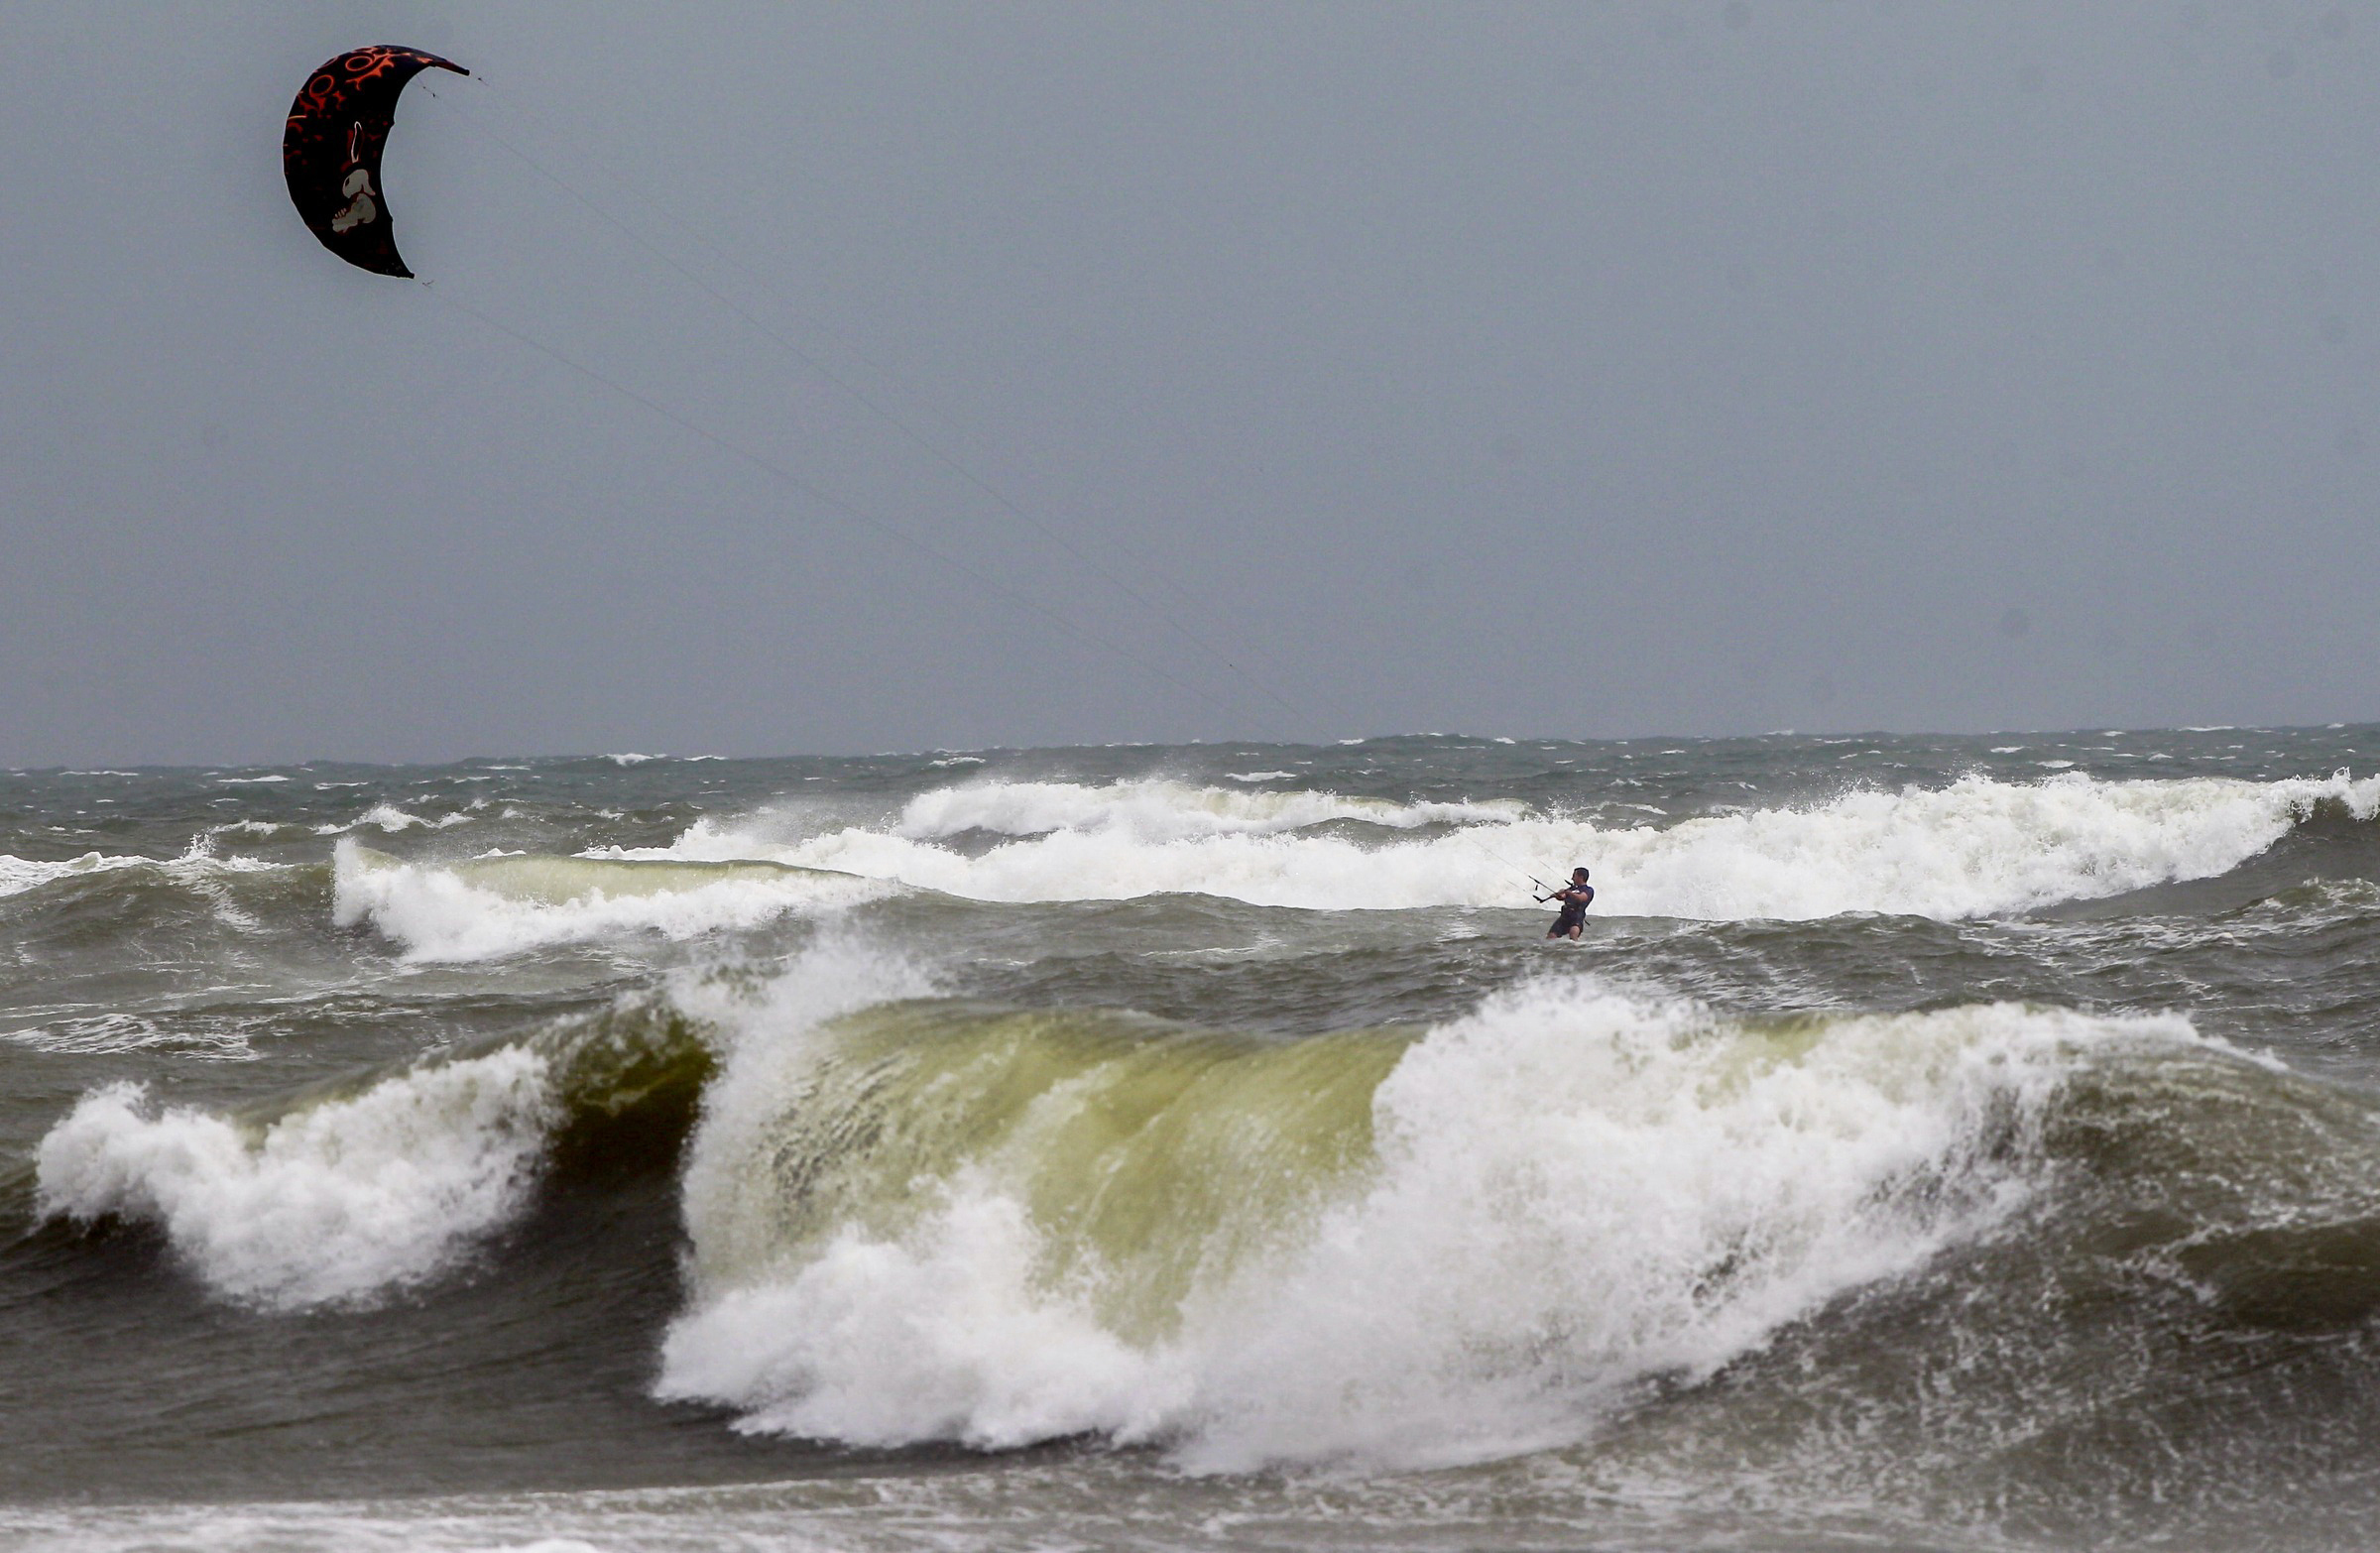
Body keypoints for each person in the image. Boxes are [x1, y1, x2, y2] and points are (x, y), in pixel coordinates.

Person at [1543, 867, 1594, 940]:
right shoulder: (1571, 889)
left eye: (1574, 876)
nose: (1572, 878)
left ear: (1581, 877)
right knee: (1551, 936)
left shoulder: (1588, 890)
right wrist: (1557, 895)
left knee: (1573, 933)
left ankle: (1576, 949)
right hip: (1565, 917)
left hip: (1576, 917)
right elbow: (1562, 897)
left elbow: (1581, 898)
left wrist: (1568, 893)